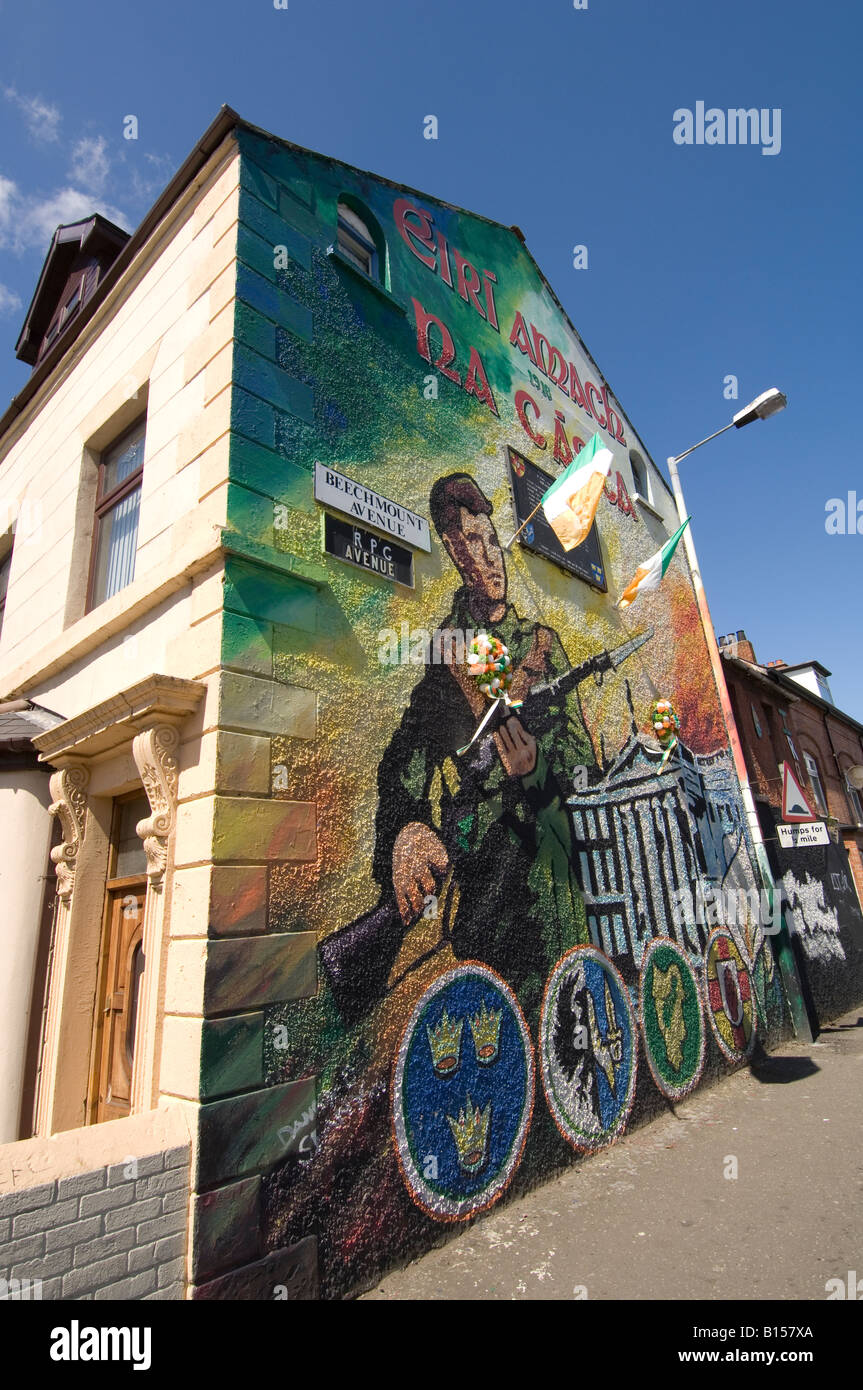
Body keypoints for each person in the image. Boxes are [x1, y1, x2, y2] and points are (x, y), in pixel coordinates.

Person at [321, 472, 594, 1023]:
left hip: (552, 877)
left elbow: (584, 762)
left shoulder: (542, 646)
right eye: (474, 543)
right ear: (453, 550)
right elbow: (406, 757)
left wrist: (538, 769)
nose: (491, 557)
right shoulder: (448, 650)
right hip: (484, 884)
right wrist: (405, 830)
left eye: (494, 542)